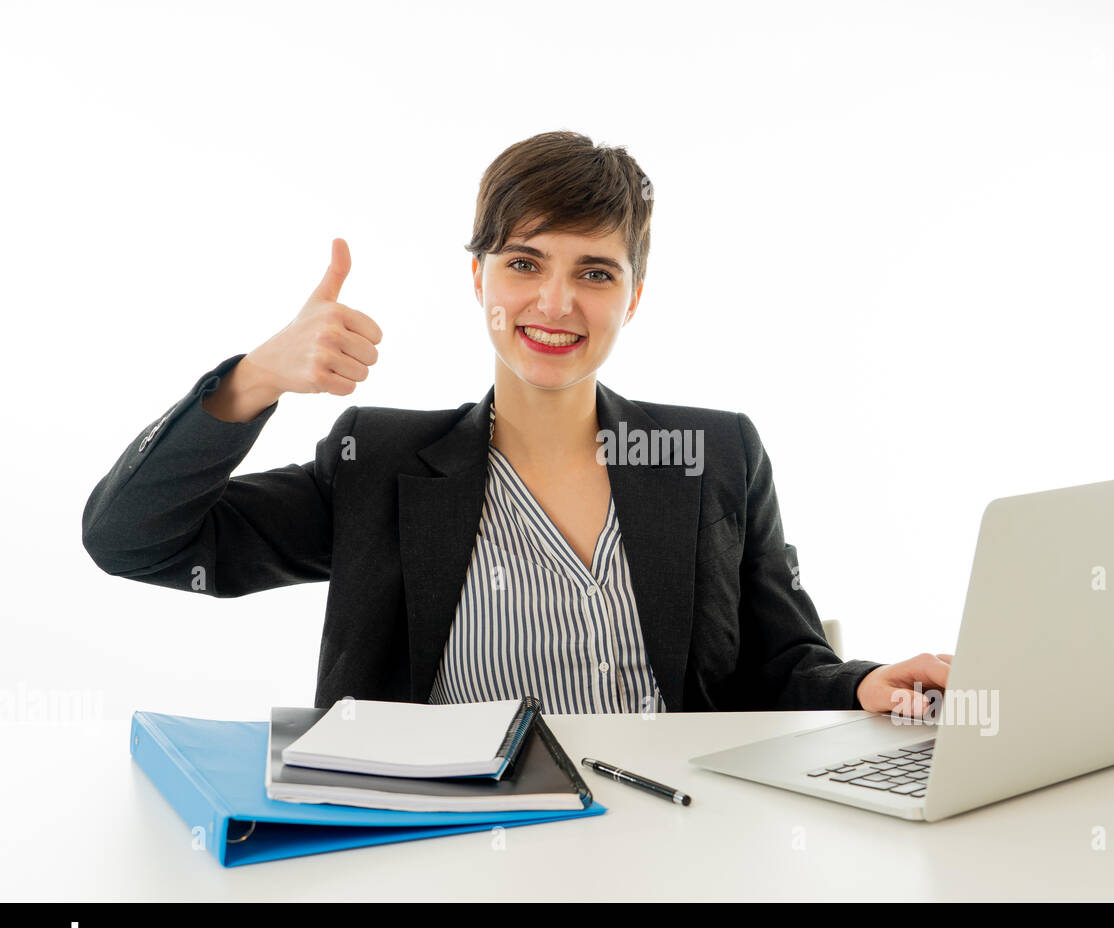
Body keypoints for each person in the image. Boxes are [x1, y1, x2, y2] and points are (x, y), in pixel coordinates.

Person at [81, 130, 951, 715]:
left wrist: (864, 682)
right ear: (479, 280)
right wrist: (255, 378)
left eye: (597, 273)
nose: (556, 302)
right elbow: (134, 540)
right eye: (525, 262)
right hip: (446, 851)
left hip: (678, 849)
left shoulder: (715, 454)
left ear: (634, 298)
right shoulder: (378, 462)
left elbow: (779, 663)